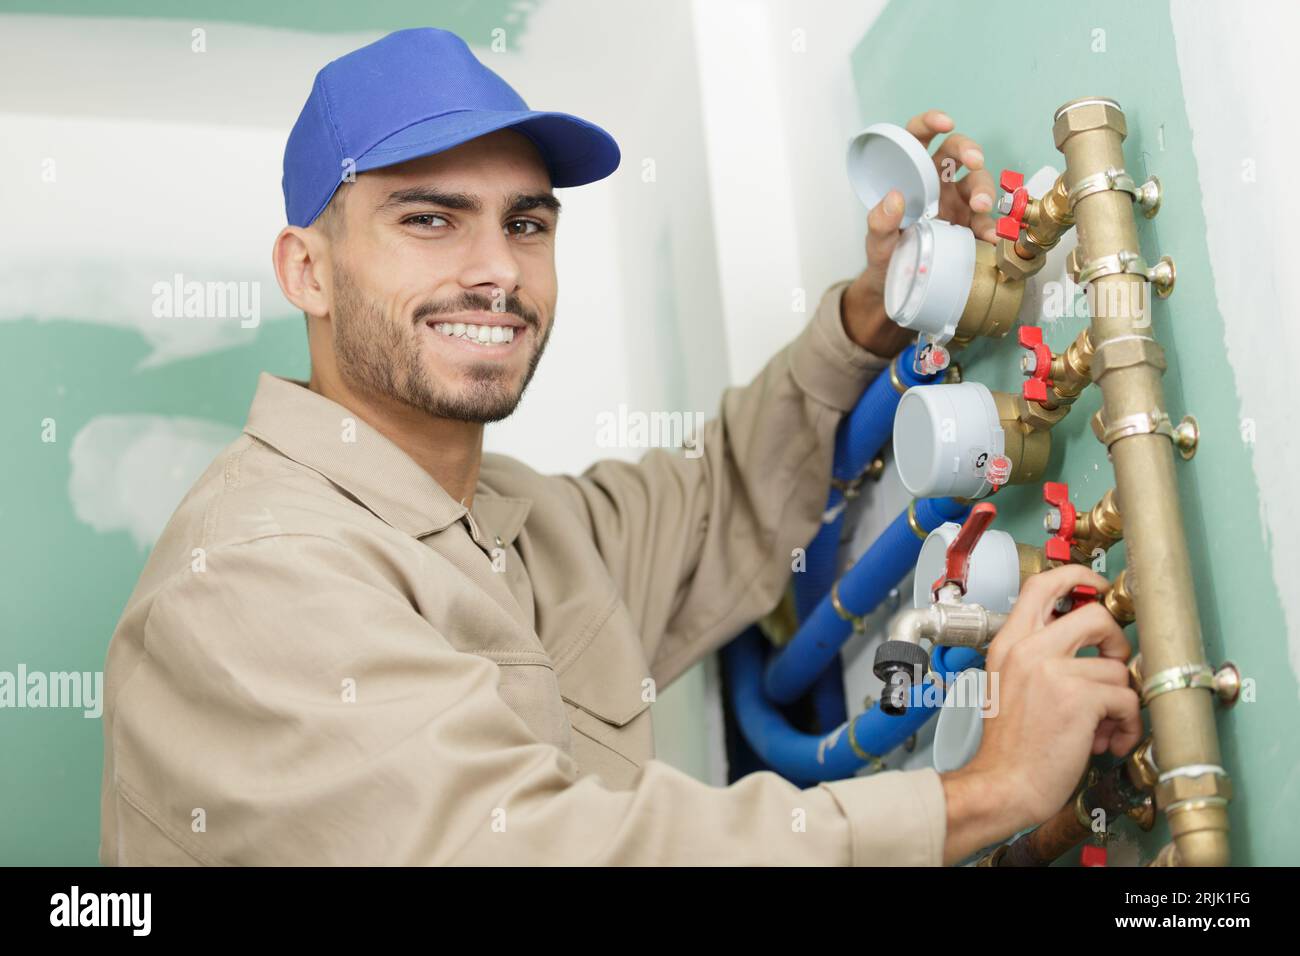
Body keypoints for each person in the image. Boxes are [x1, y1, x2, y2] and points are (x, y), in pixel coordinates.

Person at [99, 27, 1139, 866]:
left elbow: (716, 498)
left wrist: (875, 314)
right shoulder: (250, 575)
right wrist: (986, 788)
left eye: (527, 224)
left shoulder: (517, 521)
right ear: (307, 270)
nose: (494, 271)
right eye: (429, 219)